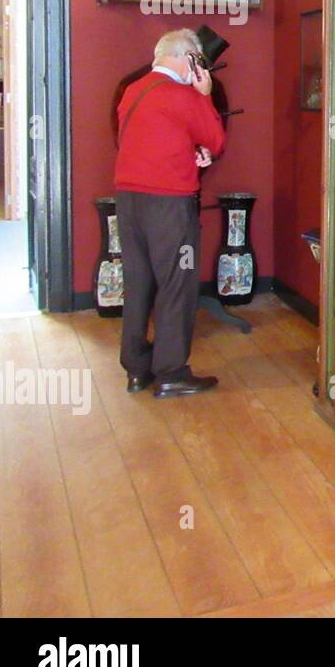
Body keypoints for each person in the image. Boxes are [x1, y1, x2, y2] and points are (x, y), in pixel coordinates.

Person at [114, 29, 225, 397]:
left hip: (129, 200)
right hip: (170, 205)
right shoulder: (183, 95)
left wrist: (188, 152)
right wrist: (205, 96)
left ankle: (136, 369)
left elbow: (149, 139)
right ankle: (172, 371)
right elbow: (216, 139)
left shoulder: (132, 90)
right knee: (179, 282)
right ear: (190, 58)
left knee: (139, 282)